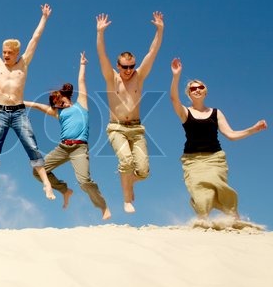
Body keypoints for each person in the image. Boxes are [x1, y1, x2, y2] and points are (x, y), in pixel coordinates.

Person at [0, 4, 55, 203]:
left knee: (32, 146)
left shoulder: (24, 63)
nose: (5, 55)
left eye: (8, 52)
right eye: (4, 52)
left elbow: (35, 39)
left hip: (19, 113)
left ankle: (47, 184)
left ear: (16, 53)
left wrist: (44, 18)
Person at [169, 58, 266, 221]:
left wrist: (253, 129)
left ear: (205, 92)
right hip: (192, 161)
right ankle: (203, 221)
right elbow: (173, 99)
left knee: (218, 185)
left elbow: (231, 135)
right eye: (193, 88)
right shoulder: (185, 112)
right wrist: (176, 76)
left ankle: (234, 218)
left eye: (201, 87)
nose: (197, 90)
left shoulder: (216, 113)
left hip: (215, 158)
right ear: (189, 93)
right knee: (200, 191)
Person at [24, 52, 111, 220]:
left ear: (66, 95)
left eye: (59, 99)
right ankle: (64, 190)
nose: (58, 103)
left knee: (84, 181)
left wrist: (83, 65)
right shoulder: (59, 113)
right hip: (63, 147)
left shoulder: (82, 104)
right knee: (37, 170)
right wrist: (21, 102)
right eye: (55, 103)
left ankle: (103, 206)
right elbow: (37, 106)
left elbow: (82, 82)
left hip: (79, 148)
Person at [96, 11, 164, 213]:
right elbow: (102, 55)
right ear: (118, 66)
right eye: (125, 67)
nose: (128, 70)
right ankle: (127, 200)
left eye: (131, 66)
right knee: (126, 161)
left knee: (143, 171)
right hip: (116, 128)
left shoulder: (139, 77)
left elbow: (152, 53)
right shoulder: (112, 78)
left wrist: (160, 30)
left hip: (136, 128)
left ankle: (130, 181)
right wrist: (100, 33)